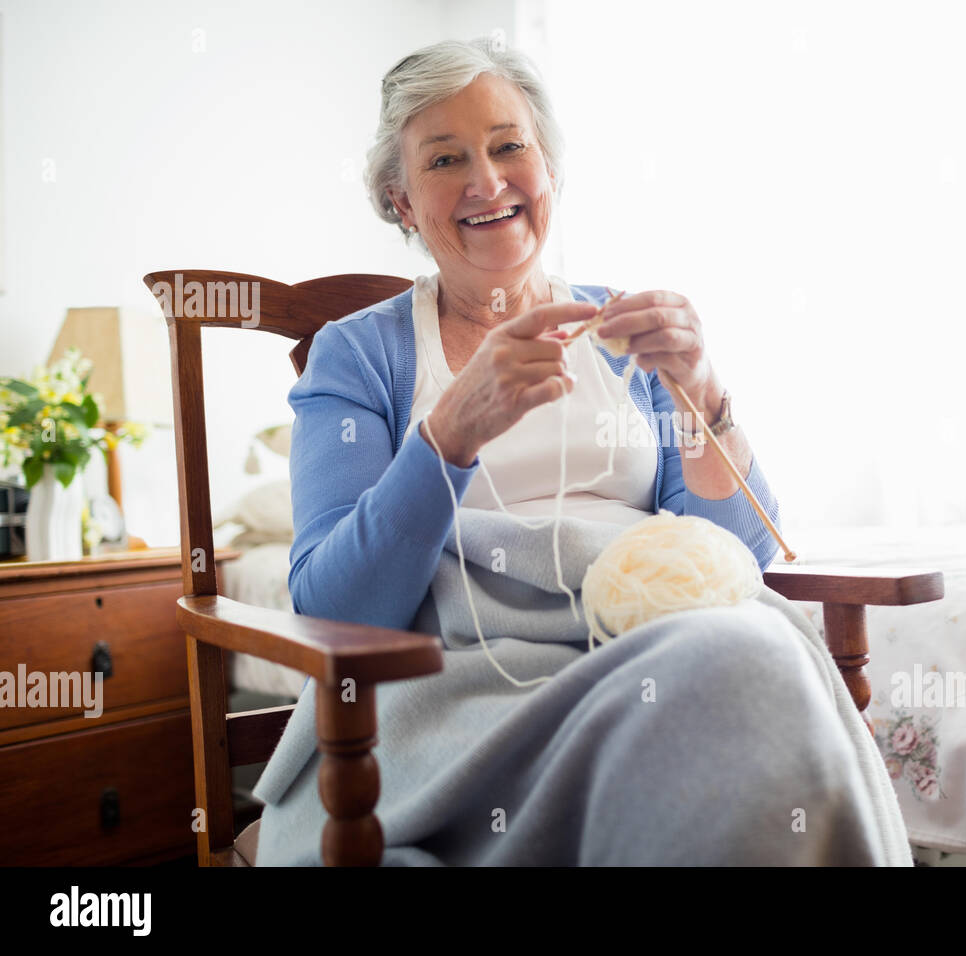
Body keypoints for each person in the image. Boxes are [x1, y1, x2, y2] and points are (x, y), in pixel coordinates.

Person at [251, 37, 909, 866]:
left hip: (644, 658)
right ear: (401, 203)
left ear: (550, 168)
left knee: (754, 656)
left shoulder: (618, 325)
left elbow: (736, 555)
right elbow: (334, 608)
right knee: (745, 666)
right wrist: (449, 434)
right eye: (445, 158)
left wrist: (701, 392)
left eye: (508, 145)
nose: (487, 181)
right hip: (459, 693)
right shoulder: (359, 354)